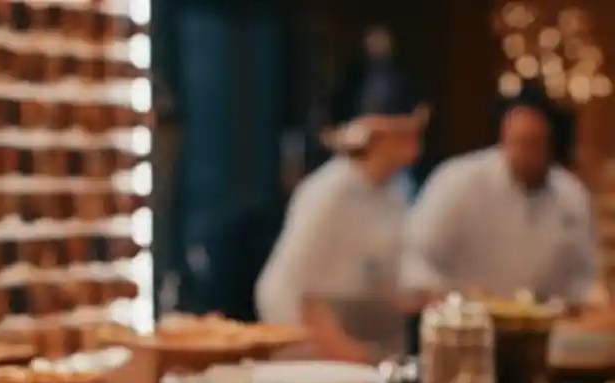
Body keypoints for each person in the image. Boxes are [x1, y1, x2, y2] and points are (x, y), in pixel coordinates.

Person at [255, 28, 426, 363]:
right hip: (317, 356)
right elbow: (291, 292)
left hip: (378, 347)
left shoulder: (400, 189)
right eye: (405, 138)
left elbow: (391, 275)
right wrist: (347, 355)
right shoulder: (327, 194)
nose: (414, 151)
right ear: (377, 137)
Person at [402, 93, 595, 304]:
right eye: (520, 142)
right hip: (463, 321)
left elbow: (582, 274)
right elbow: (415, 254)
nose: (527, 153)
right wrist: (441, 296)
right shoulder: (459, 181)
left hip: (541, 324)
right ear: (504, 138)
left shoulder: (570, 195)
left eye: (536, 143)